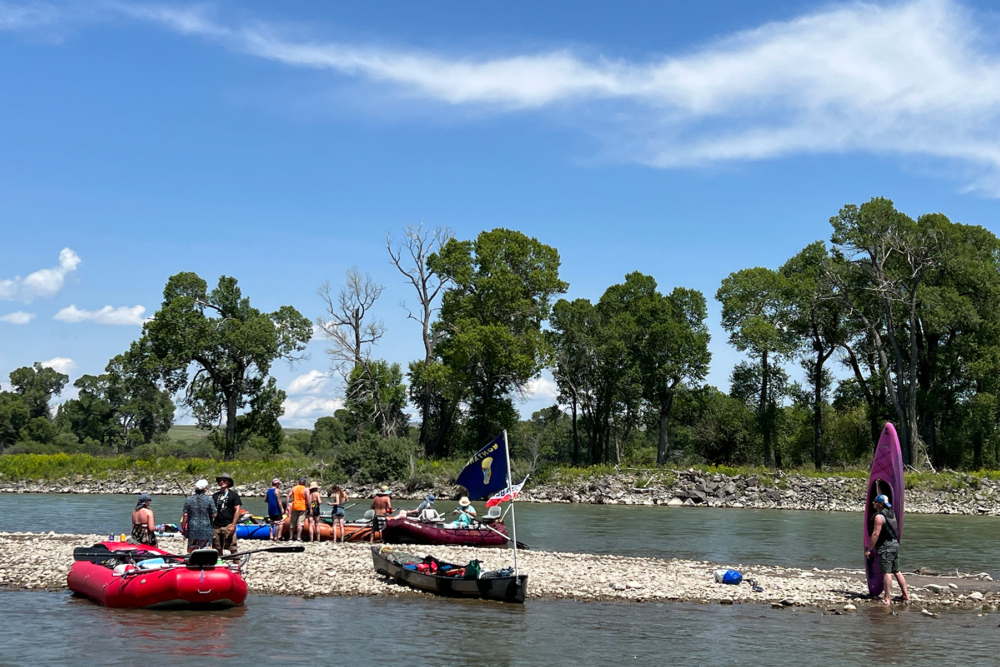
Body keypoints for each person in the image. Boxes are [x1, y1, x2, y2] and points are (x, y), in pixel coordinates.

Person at [866, 494, 910, 606]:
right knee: (896, 570)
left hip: (886, 547)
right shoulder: (891, 512)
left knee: (886, 573)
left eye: (875, 502)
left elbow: (875, 534)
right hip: (895, 544)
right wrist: (878, 484)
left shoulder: (879, 517)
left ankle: (887, 599)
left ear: (880, 504)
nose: (873, 503)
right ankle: (905, 595)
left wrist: (869, 549)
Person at [182, 479, 217, 553]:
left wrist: (183, 527)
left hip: (193, 528)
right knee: (206, 548)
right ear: (205, 489)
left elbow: (185, 515)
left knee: (193, 548)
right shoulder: (209, 499)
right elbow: (214, 514)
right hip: (206, 528)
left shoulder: (189, 499)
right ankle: (205, 562)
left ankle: (193, 561)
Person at [212, 472, 242, 556]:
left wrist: (233, 525)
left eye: (224, 480)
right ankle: (219, 565)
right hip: (216, 525)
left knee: (232, 548)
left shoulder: (234, 495)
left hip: (228, 525)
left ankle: (237, 565)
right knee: (217, 548)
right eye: (220, 481)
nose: (222, 482)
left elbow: (237, 510)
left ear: (229, 482)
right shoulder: (215, 496)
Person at [287, 477, 309, 542]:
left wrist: (288, 505)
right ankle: (298, 538)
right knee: (300, 523)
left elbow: (288, 495)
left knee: (292, 522)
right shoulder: (306, 489)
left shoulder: (294, 488)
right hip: (302, 507)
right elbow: (308, 499)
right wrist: (309, 507)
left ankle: (290, 537)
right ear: (304, 483)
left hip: (294, 507)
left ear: (299, 482)